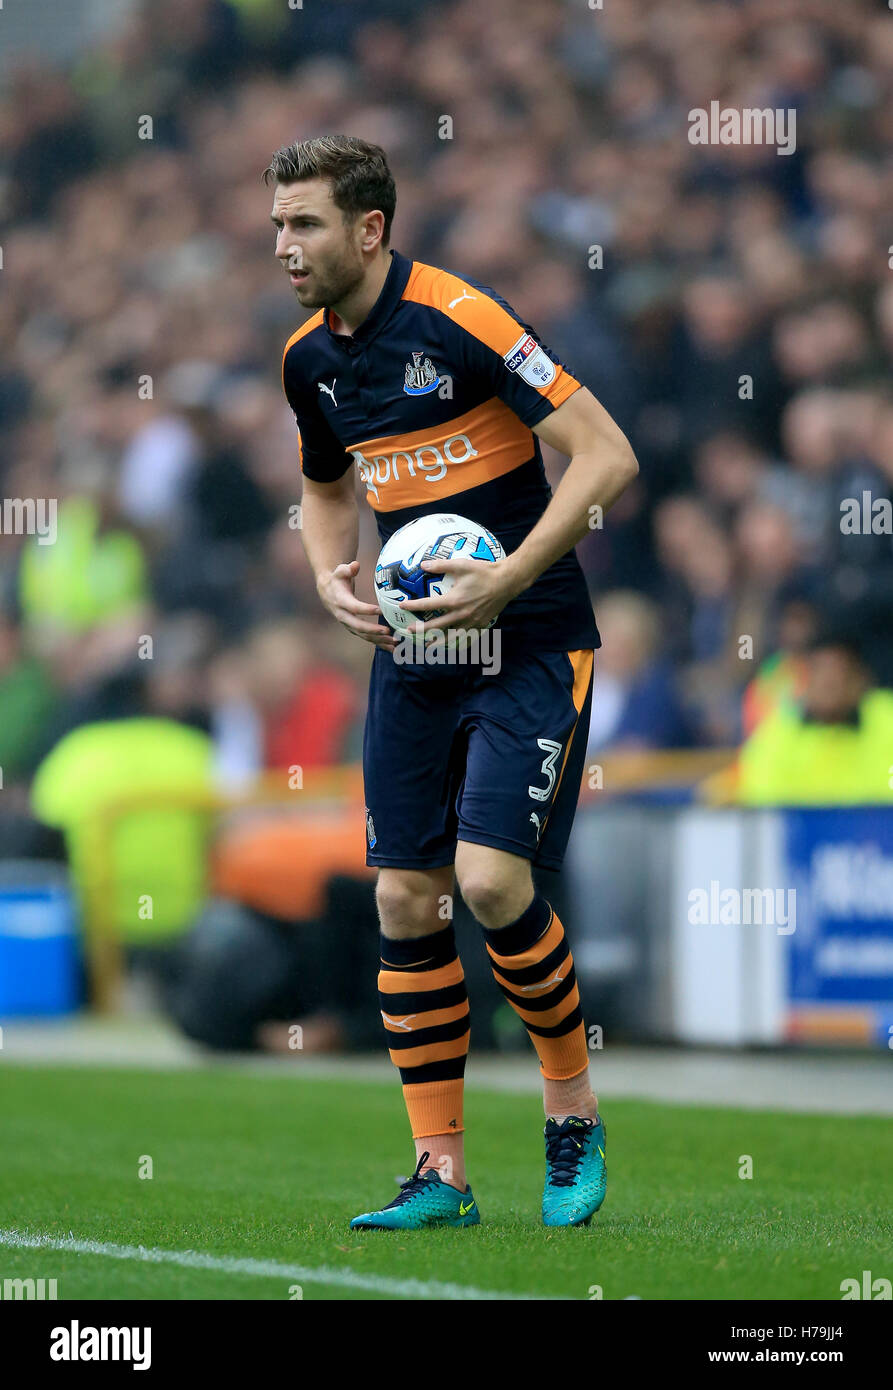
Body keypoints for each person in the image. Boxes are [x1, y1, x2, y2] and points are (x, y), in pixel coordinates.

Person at [269, 136, 638, 1230]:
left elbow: (606, 452)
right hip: (416, 655)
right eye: (278, 224)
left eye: (305, 225)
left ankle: (570, 1114)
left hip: (526, 638)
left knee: (488, 884)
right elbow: (326, 488)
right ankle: (440, 1174)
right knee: (401, 895)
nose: (283, 246)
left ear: (369, 228)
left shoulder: (462, 320)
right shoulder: (308, 362)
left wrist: (508, 579)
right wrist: (326, 580)